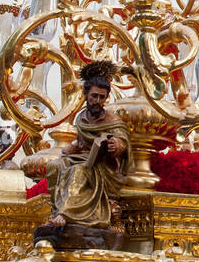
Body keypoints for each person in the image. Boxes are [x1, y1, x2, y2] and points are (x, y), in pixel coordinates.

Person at [28, 60, 130, 249]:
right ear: (85, 95)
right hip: (81, 158)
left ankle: (65, 215)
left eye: (102, 97)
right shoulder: (81, 117)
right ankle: (56, 210)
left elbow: (123, 143)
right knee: (53, 167)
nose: (97, 101)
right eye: (93, 96)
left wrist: (117, 145)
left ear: (107, 97)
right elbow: (80, 142)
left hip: (103, 167)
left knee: (79, 172)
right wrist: (72, 148)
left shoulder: (112, 120)